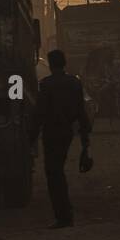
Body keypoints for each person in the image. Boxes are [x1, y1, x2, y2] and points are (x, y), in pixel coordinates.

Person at [30, 49, 92, 229]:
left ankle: (63, 215)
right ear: (64, 63)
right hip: (67, 133)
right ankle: (65, 213)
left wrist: (31, 137)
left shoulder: (47, 85)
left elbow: (39, 113)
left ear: (50, 64)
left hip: (52, 134)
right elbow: (81, 112)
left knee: (54, 174)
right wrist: (85, 140)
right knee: (57, 172)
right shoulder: (74, 83)